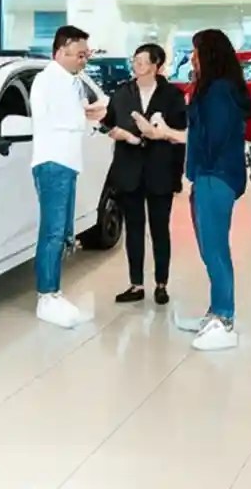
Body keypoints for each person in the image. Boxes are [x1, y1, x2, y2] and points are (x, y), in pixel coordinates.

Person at [135, 29, 250, 351]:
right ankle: (215, 313)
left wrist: (165, 133)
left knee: (215, 250)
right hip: (208, 175)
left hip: (217, 177)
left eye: (196, 51)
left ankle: (224, 320)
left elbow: (208, 138)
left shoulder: (219, 92)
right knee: (208, 249)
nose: (192, 57)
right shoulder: (213, 89)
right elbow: (202, 134)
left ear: (210, 54)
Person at [30, 25, 106, 328]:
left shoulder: (73, 81)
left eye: (86, 55)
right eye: (79, 55)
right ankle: (46, 295)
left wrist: (89, 113)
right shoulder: (46, 81)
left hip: (68, 163)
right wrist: (86, 114)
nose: (83, 61)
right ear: (60, 52)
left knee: (62, 232)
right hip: (53, 163)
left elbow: (88, 112)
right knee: (52, 232)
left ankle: (54, 292)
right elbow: (54, 118)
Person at [104, 43, 186, 306]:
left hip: (160, 171)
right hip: (129, 170)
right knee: (134, 229)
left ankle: (161, 283)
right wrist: (117, 132)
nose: (137, 65)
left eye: (142, 61)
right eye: (135, 60)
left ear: (156, 65)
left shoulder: (172, 95)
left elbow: (180, 136)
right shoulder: (122, 92)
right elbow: (109, 122)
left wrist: (177, 176)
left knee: (160, 229)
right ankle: (136, 284)